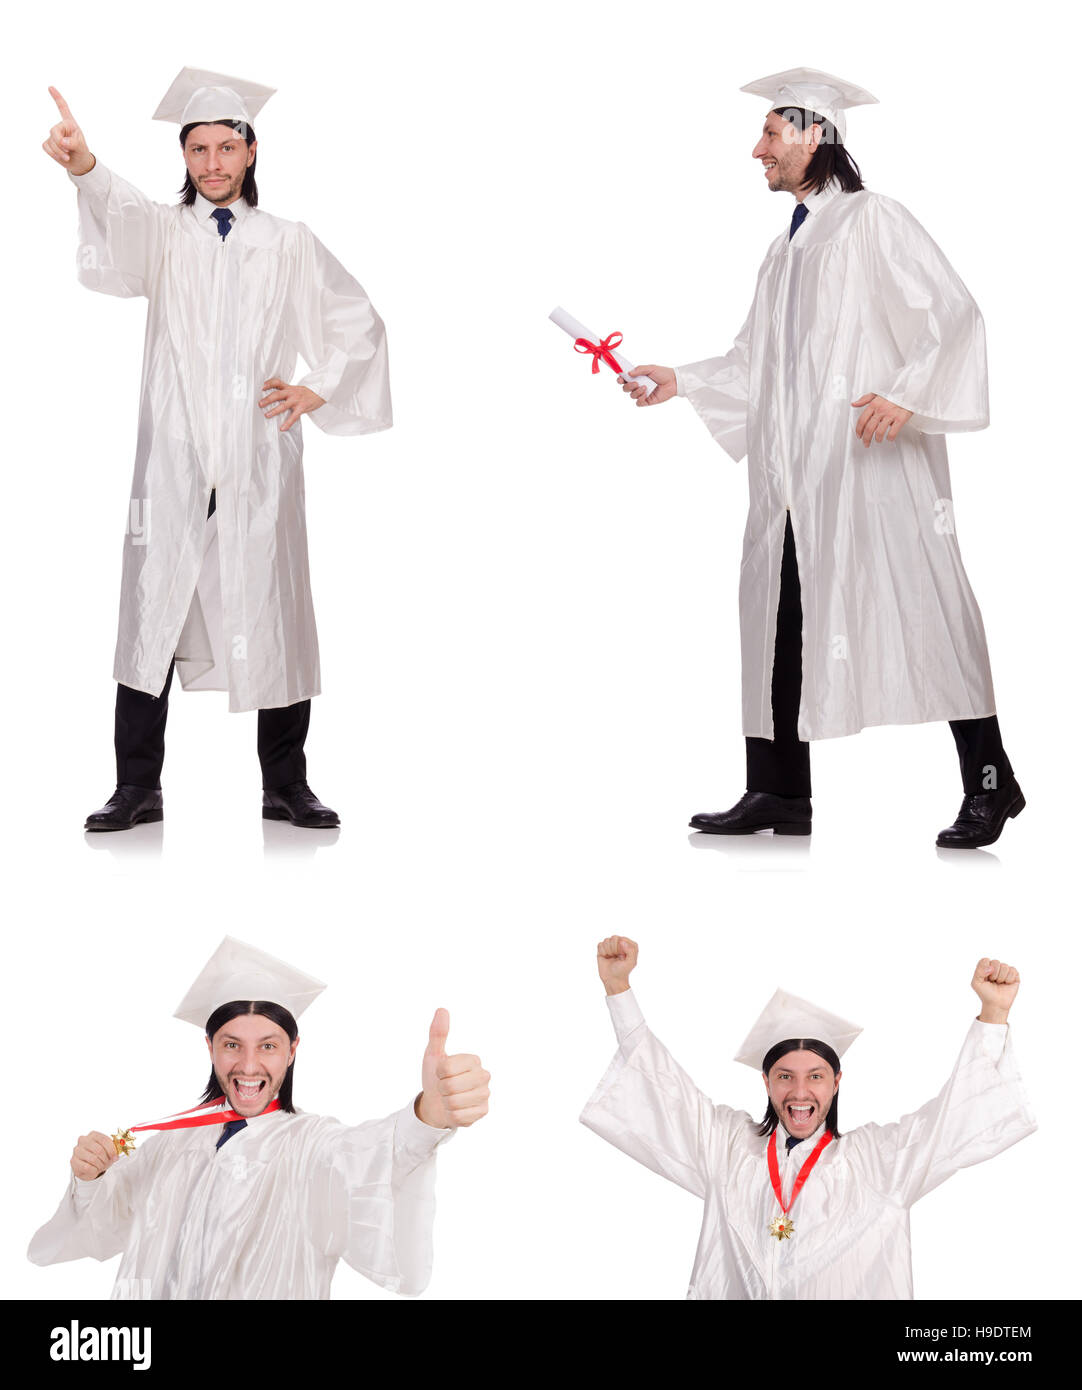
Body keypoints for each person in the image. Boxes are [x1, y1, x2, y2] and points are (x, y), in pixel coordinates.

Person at [619, 68, 1022, 848]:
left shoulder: (872, 221)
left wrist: (908, 393)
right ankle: (776, 792)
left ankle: (992, 782)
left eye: (771, 134)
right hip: (794, 479)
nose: (756, 150)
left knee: (929, 612)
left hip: (871, 471)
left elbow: (954, 313)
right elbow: (756, 363)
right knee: (779, 618)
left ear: (814, 136)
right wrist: (681, 381)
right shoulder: (785, 249)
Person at [42, 68, 393, 831]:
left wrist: (318, 387)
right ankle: (136, 786)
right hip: (174, 452)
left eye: (225, 147)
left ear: (251, 150)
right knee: (151, 609)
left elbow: (358, 319)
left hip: (259, 455)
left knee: (274, 607)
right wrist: (85, 167)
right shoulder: (168, 235)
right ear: (186, 157)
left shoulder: (288, 243)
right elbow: (124, 213)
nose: (211, 163)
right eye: (197, 149)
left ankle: (286, 785)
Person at [28, 937, 490, 1299]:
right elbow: (101, 1228)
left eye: (267, 1045)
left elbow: (377, 1154)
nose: (248, 1067)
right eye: (232, 1044)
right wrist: (89, 1178)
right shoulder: (170, 1144)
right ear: (209, 1048)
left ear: (292, 1051)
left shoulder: (312, 1145)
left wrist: (428, 1116)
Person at [581, 935, 1035, 1300]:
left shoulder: (880, 1162)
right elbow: (663, 1087)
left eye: (815, 1076)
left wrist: (993, 1014)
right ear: (766, 1081)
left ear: (836, 1081)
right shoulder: (727, 1148)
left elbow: (954, 1118)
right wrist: (619, 989)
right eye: (785, 1076)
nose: (800, 1093)